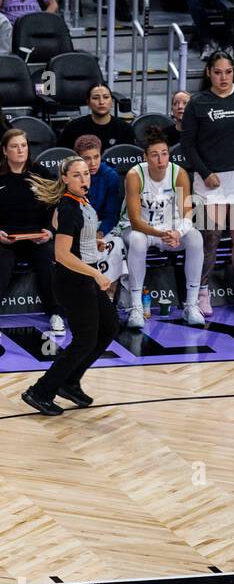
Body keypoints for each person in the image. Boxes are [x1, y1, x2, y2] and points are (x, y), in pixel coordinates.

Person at [21, 157, 118, 417]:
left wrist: (91, 245)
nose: (84, 179)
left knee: (108, 328)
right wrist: (95, 274)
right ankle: (40, 391)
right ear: (65, 178)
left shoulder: (80, 202)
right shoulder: (69, 207)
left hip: (84, 275)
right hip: (73, 280)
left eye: (86, 174)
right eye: (77, 175)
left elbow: (62, 229)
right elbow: (62, 254)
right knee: (85, 339)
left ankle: (70, 382)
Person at [181, 51, 234, 317]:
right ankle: (202, 293)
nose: (223, 77)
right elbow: (188, 145)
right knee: (210, 238)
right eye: (218, 72)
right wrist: (205, 172)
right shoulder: (197, 103)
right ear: (208, 72)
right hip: (210, 181)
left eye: (228, 72)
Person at [121, 128, 205, 328]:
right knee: (138, 241)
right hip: (140, 230)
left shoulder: (178, 173)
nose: (161, 160)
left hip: (169, 229)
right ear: (145, 157)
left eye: (164, 154)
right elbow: (134, 221)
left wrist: (178, 232)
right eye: (155, 155)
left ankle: (191, 305)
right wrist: (162, 234)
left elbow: (186, 213)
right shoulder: (135, 175)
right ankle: (136, 308)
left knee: (195, 238)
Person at [0, 129, 61, 335]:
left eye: (24, 146)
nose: (20, 150)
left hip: (36, 236)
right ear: (4, 150)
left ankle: (55, 313)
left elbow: (52, 206)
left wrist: (49, 231)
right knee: (2, 263)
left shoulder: (41, 173)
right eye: (15, 146)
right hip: (5, 238)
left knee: (48, 258)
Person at [59, 84, 137, 151]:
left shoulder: (125, 129)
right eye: (95, 98)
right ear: (88, 103)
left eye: (106, 97)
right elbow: (62, 156)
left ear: (112, 102)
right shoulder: (74, 127)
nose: (101, 102)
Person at [74, 136, 124, 239]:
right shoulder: (71, 176)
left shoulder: (110, 176)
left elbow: (111, 215)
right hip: (78, 227)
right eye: (87, 158)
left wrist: (100, 234)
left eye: (96, 157)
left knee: (114, 246)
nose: (93, 163)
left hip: (103, 226)